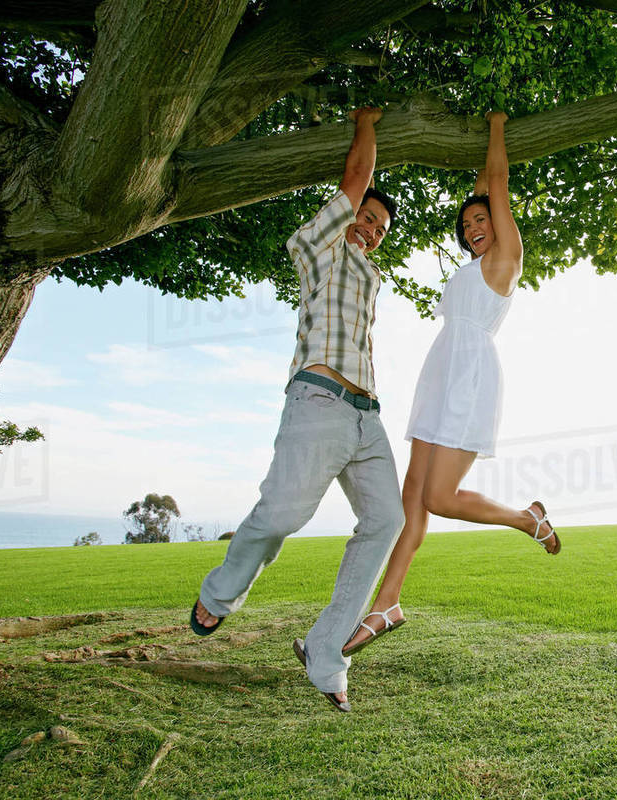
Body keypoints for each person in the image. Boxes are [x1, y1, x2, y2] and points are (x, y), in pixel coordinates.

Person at [189, 107, 404, 713]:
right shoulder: (317, 250)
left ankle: (325, 648)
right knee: (282, 515)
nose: (371, 228)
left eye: (381, 227)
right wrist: (367, 122)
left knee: (387, 521)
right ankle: (223, 591)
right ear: (343, 214)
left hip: (368, 416)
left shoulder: (369, 278)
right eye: (366, 216)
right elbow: (357, 175)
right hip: (317, 400)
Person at [340, 111, 561, 657]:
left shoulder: (507, 259)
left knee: (439, 497)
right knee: (412, 497)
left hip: (470, 377)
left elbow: (496, 183)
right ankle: (387, 603)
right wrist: (477, 189)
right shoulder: (472, 266)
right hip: (440, 374)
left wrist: (496, 127)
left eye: (480, 220)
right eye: (465, 226)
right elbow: (483, 189)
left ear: (500, 223)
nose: (471, 228)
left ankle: (526, 518)